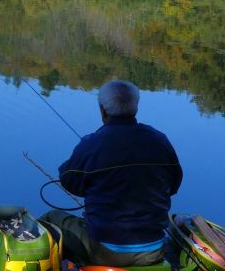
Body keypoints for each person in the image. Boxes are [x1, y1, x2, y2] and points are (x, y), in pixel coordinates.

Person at [41, 80, 182, 268]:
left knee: (50, 219)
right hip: (153, 249)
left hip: (104, 251)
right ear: (136, 108)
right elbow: (174, 184)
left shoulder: (92, 144)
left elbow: (68, 180)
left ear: (103, 110)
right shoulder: (160, 141)